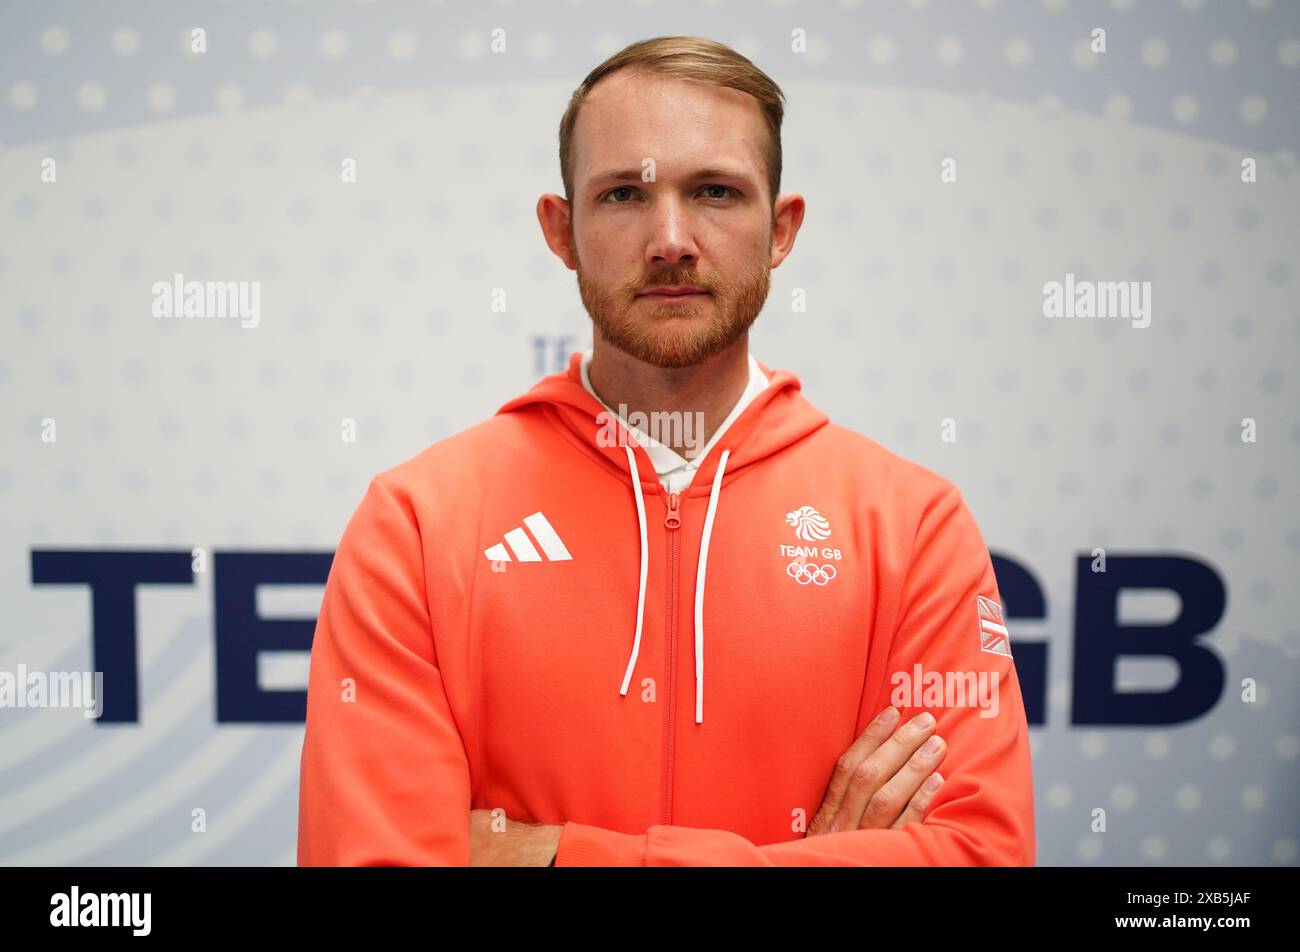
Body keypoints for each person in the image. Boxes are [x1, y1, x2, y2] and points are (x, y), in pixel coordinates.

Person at [297, 36, 1035, 866]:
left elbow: (980, 853)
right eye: (623, 195)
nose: (672, 239)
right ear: (561, 229)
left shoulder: (913, 528)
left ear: (781, 230)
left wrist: (549, 855)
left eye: (715, 191)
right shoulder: (419, 525)